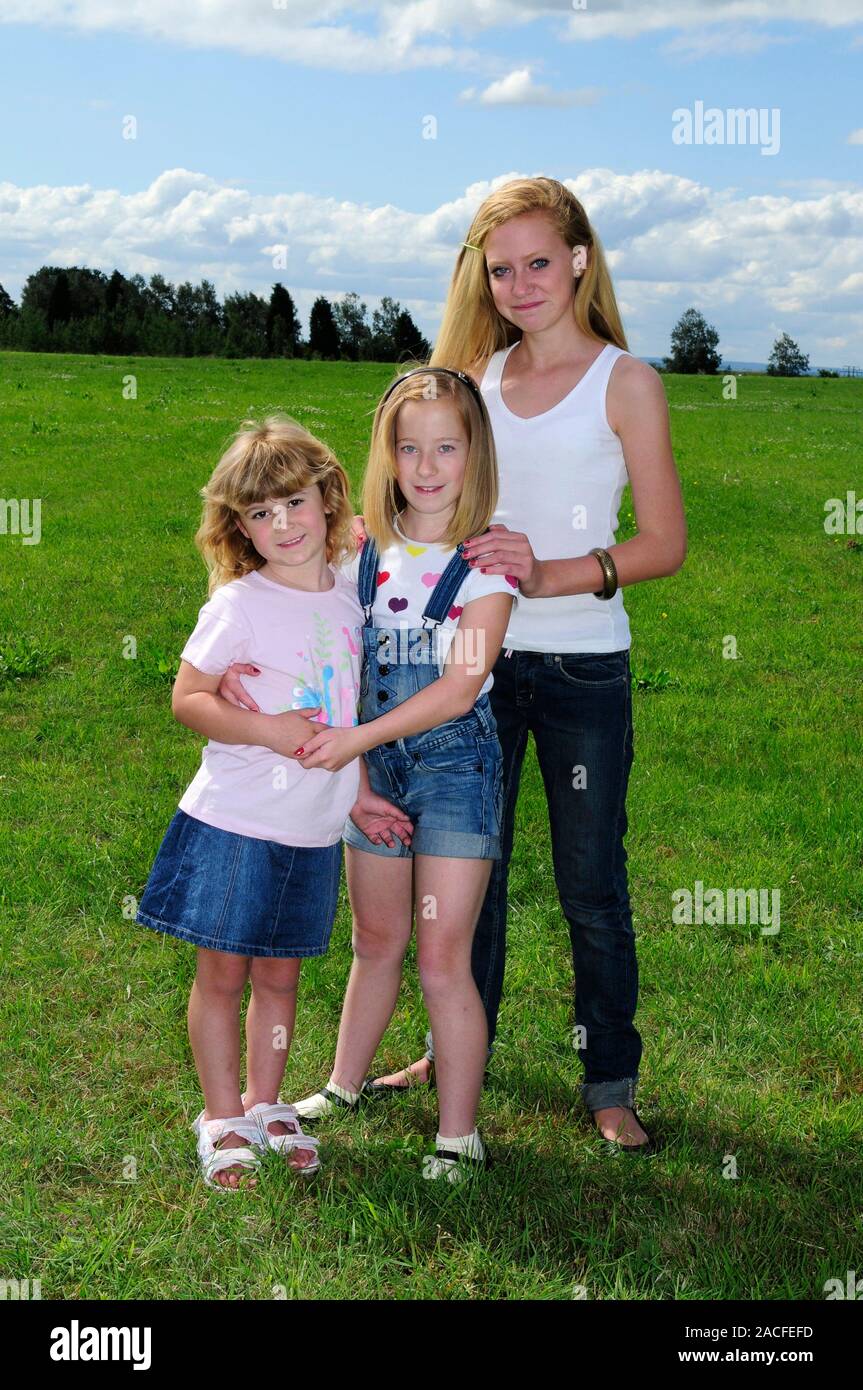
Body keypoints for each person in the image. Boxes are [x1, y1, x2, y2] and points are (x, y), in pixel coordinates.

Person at [362, 176, 687, 1151]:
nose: (519, 283)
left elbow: (664, 542)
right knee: (469, 874)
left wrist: (549, 572)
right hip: (477, 666)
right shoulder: (472, 378)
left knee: (590, 880)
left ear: (579, 259)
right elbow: (418, 501)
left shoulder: (623, 381)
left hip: (585, 671)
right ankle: (454, 1046)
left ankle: (609, 1080)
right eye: (498, 269)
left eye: (538, 262)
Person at [229, 369, 516, 1180]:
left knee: (440, 956)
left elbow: (460, 685)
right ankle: (343, 1085)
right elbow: (308, 635)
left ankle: (457, 1133)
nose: (425, 467)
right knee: (376, 940)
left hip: (455, 765)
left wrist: (355, 742)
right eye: (407, 447)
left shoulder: (486, 563)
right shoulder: (356, 547)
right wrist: (353, 773)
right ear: (385, 454)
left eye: (446, 448)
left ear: (475, 455)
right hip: (369, 770)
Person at [134, 415, 412, 1191]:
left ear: (327, 498)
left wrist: (355, 795)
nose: (281, 524)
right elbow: (188, 697)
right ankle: (221, 1118)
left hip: (313, 829)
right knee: (223, 976)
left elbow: (345, 710)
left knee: (282, 980)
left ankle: (266, 1102)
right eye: (259, 513)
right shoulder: (241, 603)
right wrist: (266, 728)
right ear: (239, 528)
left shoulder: (351, 594)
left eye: (294, 502)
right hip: (236, 821)